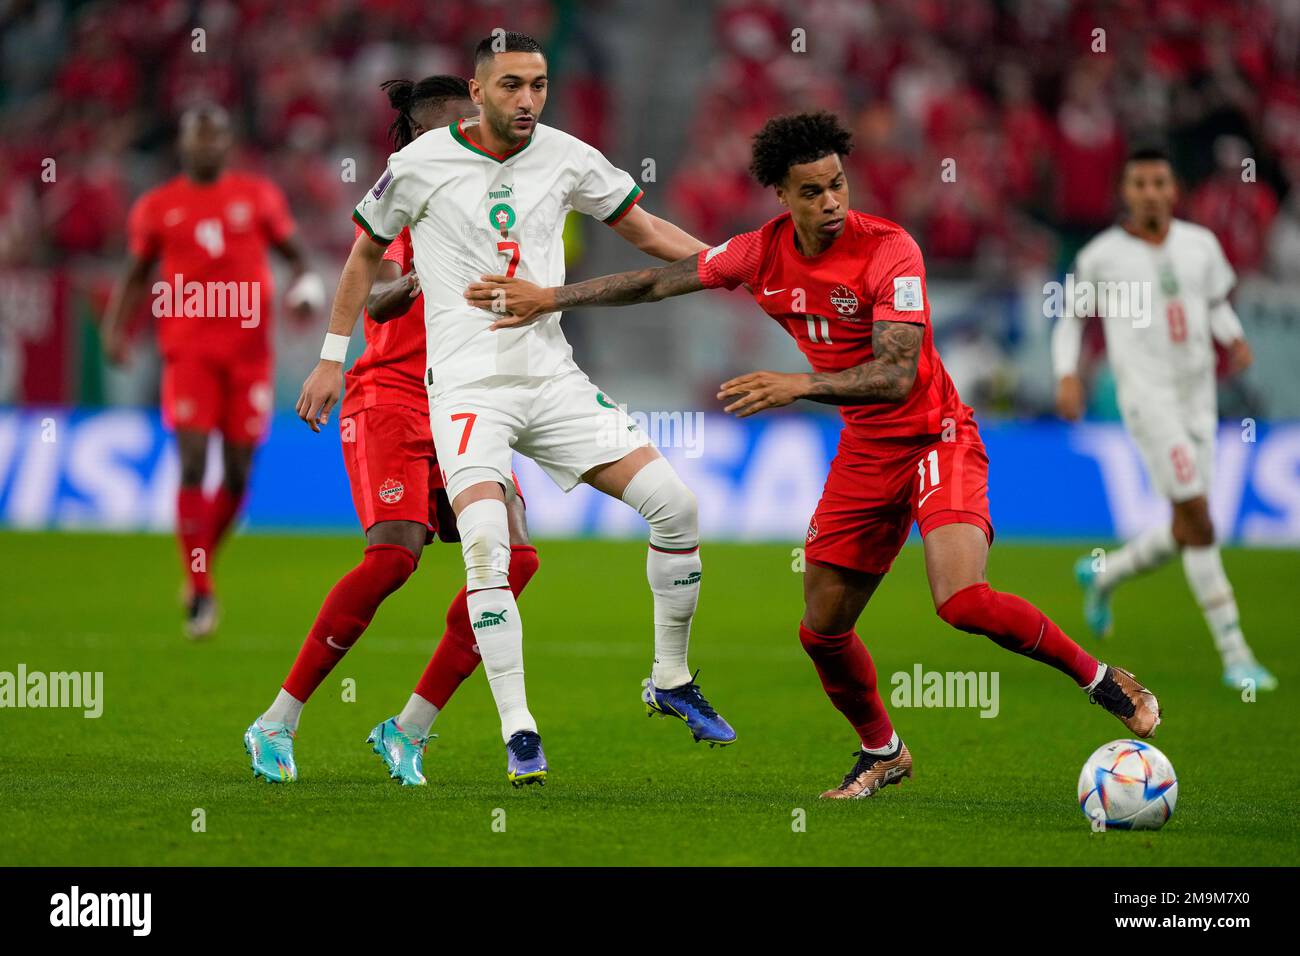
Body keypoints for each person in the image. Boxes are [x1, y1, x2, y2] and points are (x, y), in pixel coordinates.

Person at [466, 111, 1162, 799]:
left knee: (962, 601)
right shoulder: (758, 252)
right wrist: (550, 297)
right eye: (812, 191)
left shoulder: (892, 250)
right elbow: (657, 280)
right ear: (781, 195)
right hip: (866, 450)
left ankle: (1102, 678)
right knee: (822, 632)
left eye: (837, 185)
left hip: (934, 434)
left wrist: (798, 383)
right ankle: (881, 751)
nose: (830, 202)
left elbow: (895, 372)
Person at [298, 33, 735, 788]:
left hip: (552, 379)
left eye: (537, 85)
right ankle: (519, 731)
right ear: (477, 91)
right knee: (490, 551)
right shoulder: (417, 166)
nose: (527, 100)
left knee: (676, 506)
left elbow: (647, 230)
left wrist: (733, 263)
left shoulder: (569, 155)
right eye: (510, 86)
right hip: (467, 390)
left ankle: (669, 678)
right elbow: (363, 254)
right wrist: (332, 355)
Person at [244, 77, 541, 786]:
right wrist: (407, 291)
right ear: (415, 141)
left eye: (474, 123)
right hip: (393, 398)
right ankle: (276, 722)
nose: (471, 135)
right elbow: (376, 297)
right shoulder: (403, 205)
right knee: (392, 561)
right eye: (453, 127)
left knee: (516, 562)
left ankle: (407, 728)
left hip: (465, 406)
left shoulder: (496, 210)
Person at [1053, 146, 1276, 691]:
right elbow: (1072, 319)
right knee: (1199, 521)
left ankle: (1105, 574)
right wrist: (1067, 374)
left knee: (1185, 525)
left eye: (1159, 183)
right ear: (1126, 193)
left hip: (1199, 396)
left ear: (1174, 191)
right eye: (1139, 184)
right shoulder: (1102, 255)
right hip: (1147, 399)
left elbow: (1215, 303)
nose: (1150, 192)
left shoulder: (1201, 246)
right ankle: (1234, 653)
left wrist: (1234, 337)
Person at [102, 104, 321, 638]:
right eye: (198, 137)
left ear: (228, 144)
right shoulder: (157, 207)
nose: (206, 146)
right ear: (183, 143)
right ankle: (199, 590)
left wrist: (305, 287)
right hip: (189, 354)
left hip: (249, 358)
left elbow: (298, 258)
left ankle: (202, 560)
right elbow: (134, 275)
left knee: (241, 472)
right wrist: (115, 330)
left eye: (216, 137)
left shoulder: (258, 197)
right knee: (195, 463)